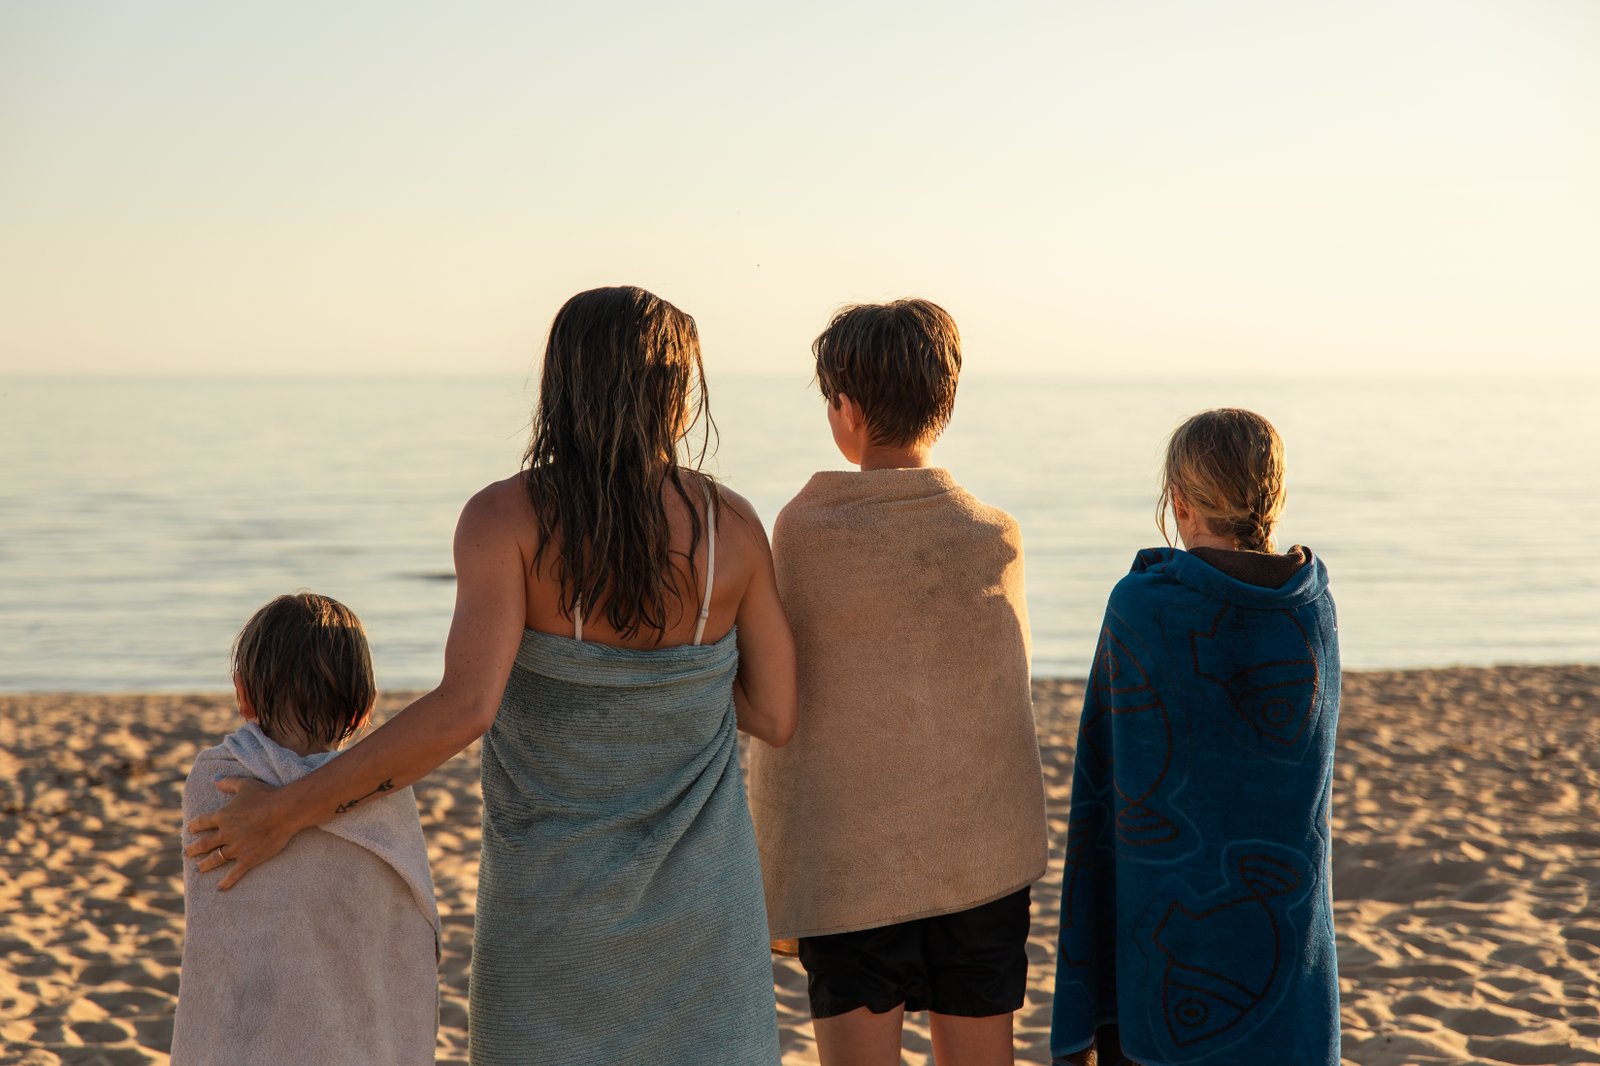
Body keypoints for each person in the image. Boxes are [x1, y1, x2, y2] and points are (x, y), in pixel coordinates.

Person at [185, 286, 798, 1065]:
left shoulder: (506, 519)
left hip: (552, 912)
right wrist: (672, 685)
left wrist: (287, 811)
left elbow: (465, 708)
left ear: (563, 384)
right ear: (676, 391)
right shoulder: (732, 526)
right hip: (704, 916)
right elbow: (776, 714)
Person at [747, 299, 1048, 1066]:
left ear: (844, 407)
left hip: (849, 862)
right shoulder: (993, 535)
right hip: (981, 856)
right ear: (944, 402)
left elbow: (780, 685)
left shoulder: (806, 530)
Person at [1050, 408, 1341, 1066]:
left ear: (1179, 503)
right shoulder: (1313, 606)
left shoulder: (1142, 606)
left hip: (1167, 947)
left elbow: (1102, 789)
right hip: (1288, 949)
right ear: (1274, 498)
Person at [172, 592, 440, 1066]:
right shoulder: (385, 793)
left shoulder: (213, 780)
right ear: (365, 709)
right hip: (357, 1045)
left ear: (243, 694)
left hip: (243, 1037)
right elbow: (404, 934)